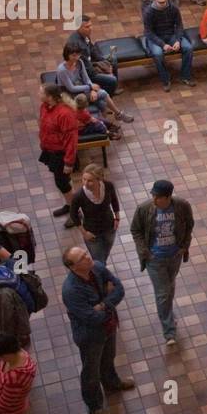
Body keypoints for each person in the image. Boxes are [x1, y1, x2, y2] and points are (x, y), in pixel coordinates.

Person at [60, 246, 133, 414]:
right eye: (82, 258)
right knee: (91, 371)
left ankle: (111, 382)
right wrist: (109, 302)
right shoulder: (71, 290)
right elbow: (92, 318)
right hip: (90, 336)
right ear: (73, 267)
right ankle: (95, 406)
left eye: (85, 253)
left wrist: (103, 305)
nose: (87, 257)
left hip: (109, 327)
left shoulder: (97, 267)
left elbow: (120, 289)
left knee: (109, 357)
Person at [130, 179, 194, 348]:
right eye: (153, 195)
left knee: (170, 285)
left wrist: (183, 246)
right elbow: (135, 230)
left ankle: (169, 315)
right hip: (155, 259)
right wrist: (145, 252)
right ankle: (169, 331)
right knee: (163, 292)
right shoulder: (144, 209)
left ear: (168, 197)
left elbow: (189, 225)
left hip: (174, 256)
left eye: (158, 197)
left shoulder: (181, 206)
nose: (154, 199)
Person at [55, 45, 132, 123]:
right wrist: (90, 87)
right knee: (103, 93)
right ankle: (118, 114)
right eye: (73, 55)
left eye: (78, 55)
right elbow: (71, 88)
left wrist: (92, 89)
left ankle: (106, 125)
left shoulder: (79, 62)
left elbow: (86, 78)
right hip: (70, 94)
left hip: (82, 89)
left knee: (101, 103)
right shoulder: (62, 70)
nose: (76, 57)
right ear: (67, 55)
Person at [142, 0, 195, 91]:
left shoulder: (174, 8)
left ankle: (185, 76)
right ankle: (165, 80)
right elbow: (148, 32)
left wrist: (177, 40)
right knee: (158, 53)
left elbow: (179, 26)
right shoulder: (148, 12)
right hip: (156, 38)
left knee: (188, 48)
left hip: (171, 35)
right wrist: (163, 45)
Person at [38, 84, 79, 220]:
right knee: (64, 181)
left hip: (61, 154)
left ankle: (75, 213)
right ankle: (69, 204)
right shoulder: (44, 106)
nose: (39, 94)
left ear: (49, 96)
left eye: (41, 92)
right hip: (51, 150)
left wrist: (68, 162)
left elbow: (71, 140)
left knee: (61, 183)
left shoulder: (65, 114)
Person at [70, 164, 121, 264]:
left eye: (90, 180)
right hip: (92, 233)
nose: (85, 183)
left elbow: (114, 200)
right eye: (84, 179)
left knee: (105, 255)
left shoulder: (108, 186)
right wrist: (84, 232)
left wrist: (117, 218)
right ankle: (101, 275)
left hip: (109, 228)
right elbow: (73, 214)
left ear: (99, 179)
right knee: (99, 261)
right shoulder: (79, 195)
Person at [65, 15, 119, 96]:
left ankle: (113, 87)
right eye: (87, 27)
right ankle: (107, 96)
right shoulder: (77, 45)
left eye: (91, 25)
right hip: (85, 72)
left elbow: (92, 49)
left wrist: (103, 61)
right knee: (112, 79)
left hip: (90, 62)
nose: (90, 28)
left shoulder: (85, 35)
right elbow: (87, 69)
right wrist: (104, 71)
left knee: (113, 59)